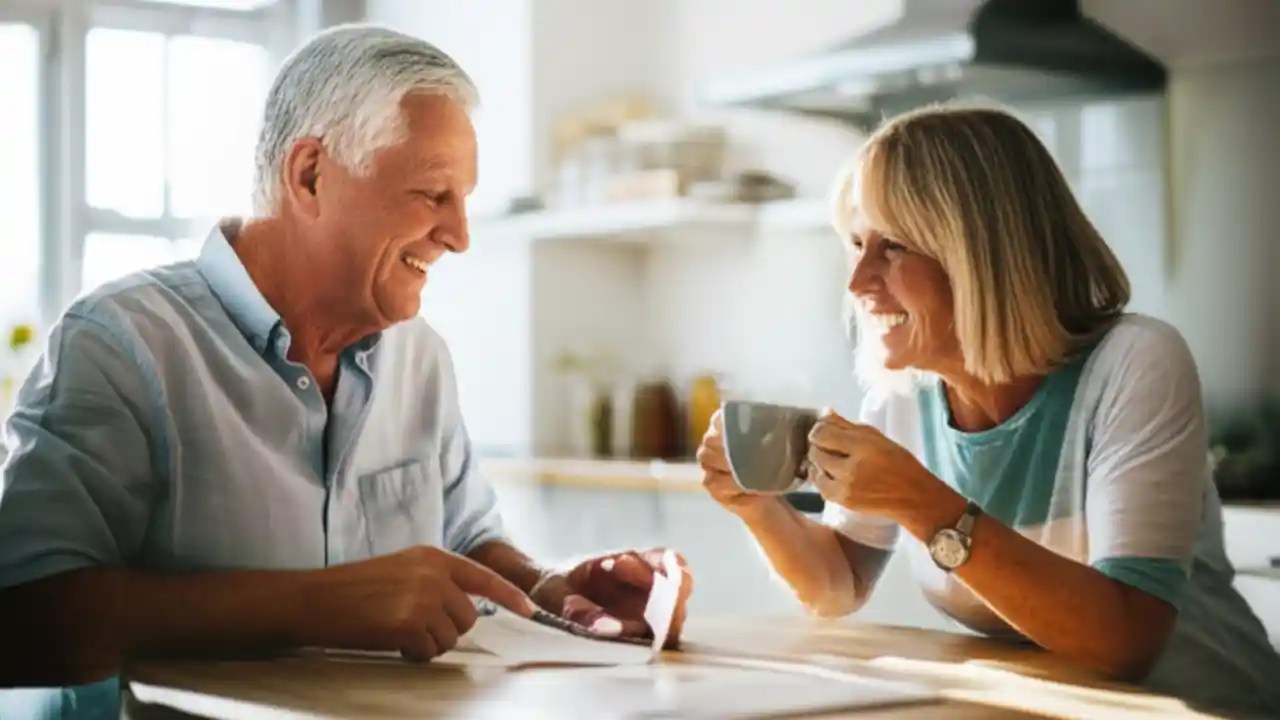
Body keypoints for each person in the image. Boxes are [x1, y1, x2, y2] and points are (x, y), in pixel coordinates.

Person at [0, 24, 691, 717]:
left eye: (465, 199)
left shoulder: (421, 357)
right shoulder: (122, 345)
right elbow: (22, 621)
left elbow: (465, 542)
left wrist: (548, 588)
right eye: (432, 194)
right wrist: (322, 605)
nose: (460, 235)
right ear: (310, 175)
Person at [697, 105, 1280, 718]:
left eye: (892, 246)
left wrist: (925, 504)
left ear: (981, 255)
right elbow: (838, 584)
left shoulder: (1134, 364)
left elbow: (1124, 640)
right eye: (857, 244)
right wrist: (759, 506)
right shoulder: (904, 397)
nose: (859, 282)